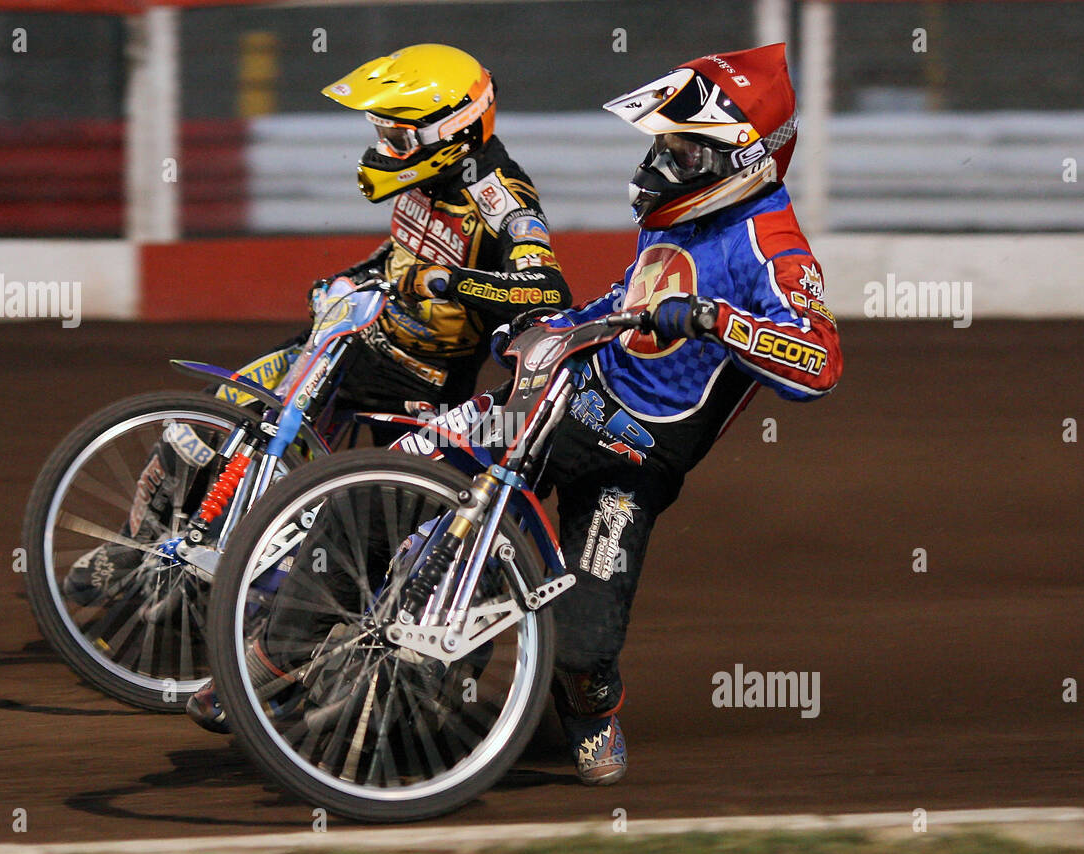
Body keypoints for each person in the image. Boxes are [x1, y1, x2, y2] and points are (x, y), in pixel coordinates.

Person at [177, 43, 572, 732]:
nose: (384, 145)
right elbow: (403, 259)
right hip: (362, 345)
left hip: (422, 382)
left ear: (451, 129)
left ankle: (276, 665)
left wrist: (452, 284)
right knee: (225, 406)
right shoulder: (422, 181)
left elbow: (545, 287)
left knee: (357, 527)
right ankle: (135, 559)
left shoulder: (502, 196)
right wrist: (352, 277)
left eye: (396, 132)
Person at [502, 43, 843, 784]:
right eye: (664, 145)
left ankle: (590, 709)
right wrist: (553, 329)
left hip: (635, 461)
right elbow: (632, 298)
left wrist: (720, 321)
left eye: (683, 151)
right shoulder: (675, 212)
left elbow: (820, 363)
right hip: (568, 399)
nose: (661, 165)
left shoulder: (773, 248)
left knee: (582, 651)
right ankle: (299, 643)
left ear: (742, 161)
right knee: (431, 481)